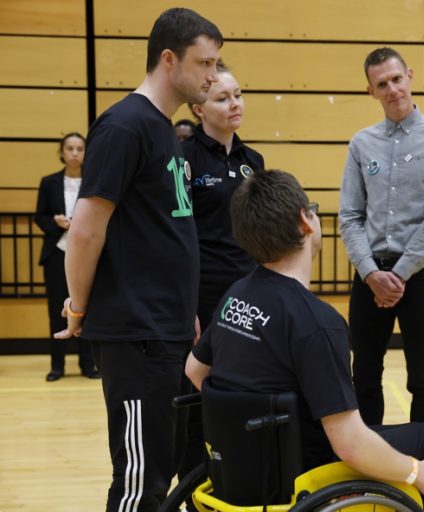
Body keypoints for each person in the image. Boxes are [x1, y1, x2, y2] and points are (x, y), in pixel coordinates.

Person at [186, 170, 424, 511]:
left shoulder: (236, 295)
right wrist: (416, 472)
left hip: (243, 466)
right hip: (303, 470)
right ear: (306, 223)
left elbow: (195, 369)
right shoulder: (316, 323)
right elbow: (349, 444)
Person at [54, 8, 223, 511]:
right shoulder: (125, 125)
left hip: (165, 328)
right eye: (205, 63)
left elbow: (158, 233)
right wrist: (80, 308)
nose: (213, 75)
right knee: (139, 481)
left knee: (161, 469)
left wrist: (182, 311)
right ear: (168, 59)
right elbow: (85, 229)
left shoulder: (162, 128)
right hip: (137, 333)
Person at [339, 47, 424, 426]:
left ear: (409, 76)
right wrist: (371, 273)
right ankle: (367, 462)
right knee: (364, 376)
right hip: (369, 275)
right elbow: (350, 215)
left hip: (421, 275)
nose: (392, 89)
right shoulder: (362, 144)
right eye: (381, 84)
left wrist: (401, 274)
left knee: (422, 378)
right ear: (370, 91)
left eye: (396, 79)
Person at [177, 62, 265, 490]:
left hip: (247, 298)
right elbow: (179, 237)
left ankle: (241, 482)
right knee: (197, 396)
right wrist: (188, 305)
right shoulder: (185, 159)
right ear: (198, 109)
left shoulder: (253, 161)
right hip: (201, 298)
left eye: (238, 94)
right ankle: (195, 488)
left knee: (242, 393)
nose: (234, 104)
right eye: (222, 98)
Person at [34, 132, 99, 382]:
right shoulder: (49, 182)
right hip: (56, 253)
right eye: (69, 148)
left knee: (86, 308)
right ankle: (57, 365)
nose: (74, 153)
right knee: (55, 310)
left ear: (85, 152)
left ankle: (88, 363)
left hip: (86, 254)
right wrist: (55, 222)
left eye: (79, 148)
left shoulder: (93, 181)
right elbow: (39, 216)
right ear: (61, 152)